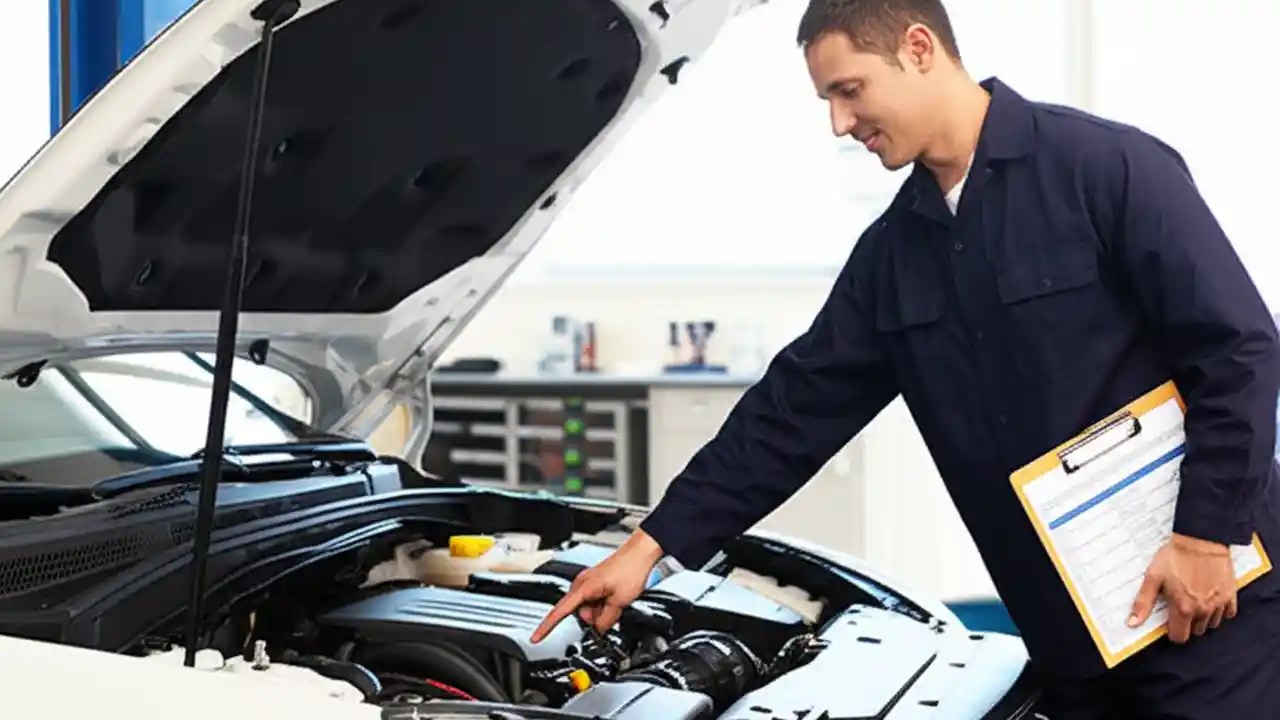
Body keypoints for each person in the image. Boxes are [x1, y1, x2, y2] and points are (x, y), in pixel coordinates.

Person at [532, 0, 1280, 715]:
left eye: (849, 91)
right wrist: (649, 548)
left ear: (918, 49)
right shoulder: (893, 258)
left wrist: (1204, 536)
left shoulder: (1107, 168)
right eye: (828, 100)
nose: (838, 123)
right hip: (1066, 639)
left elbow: (1238, 350)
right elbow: (792, 412)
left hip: (1202, 607)